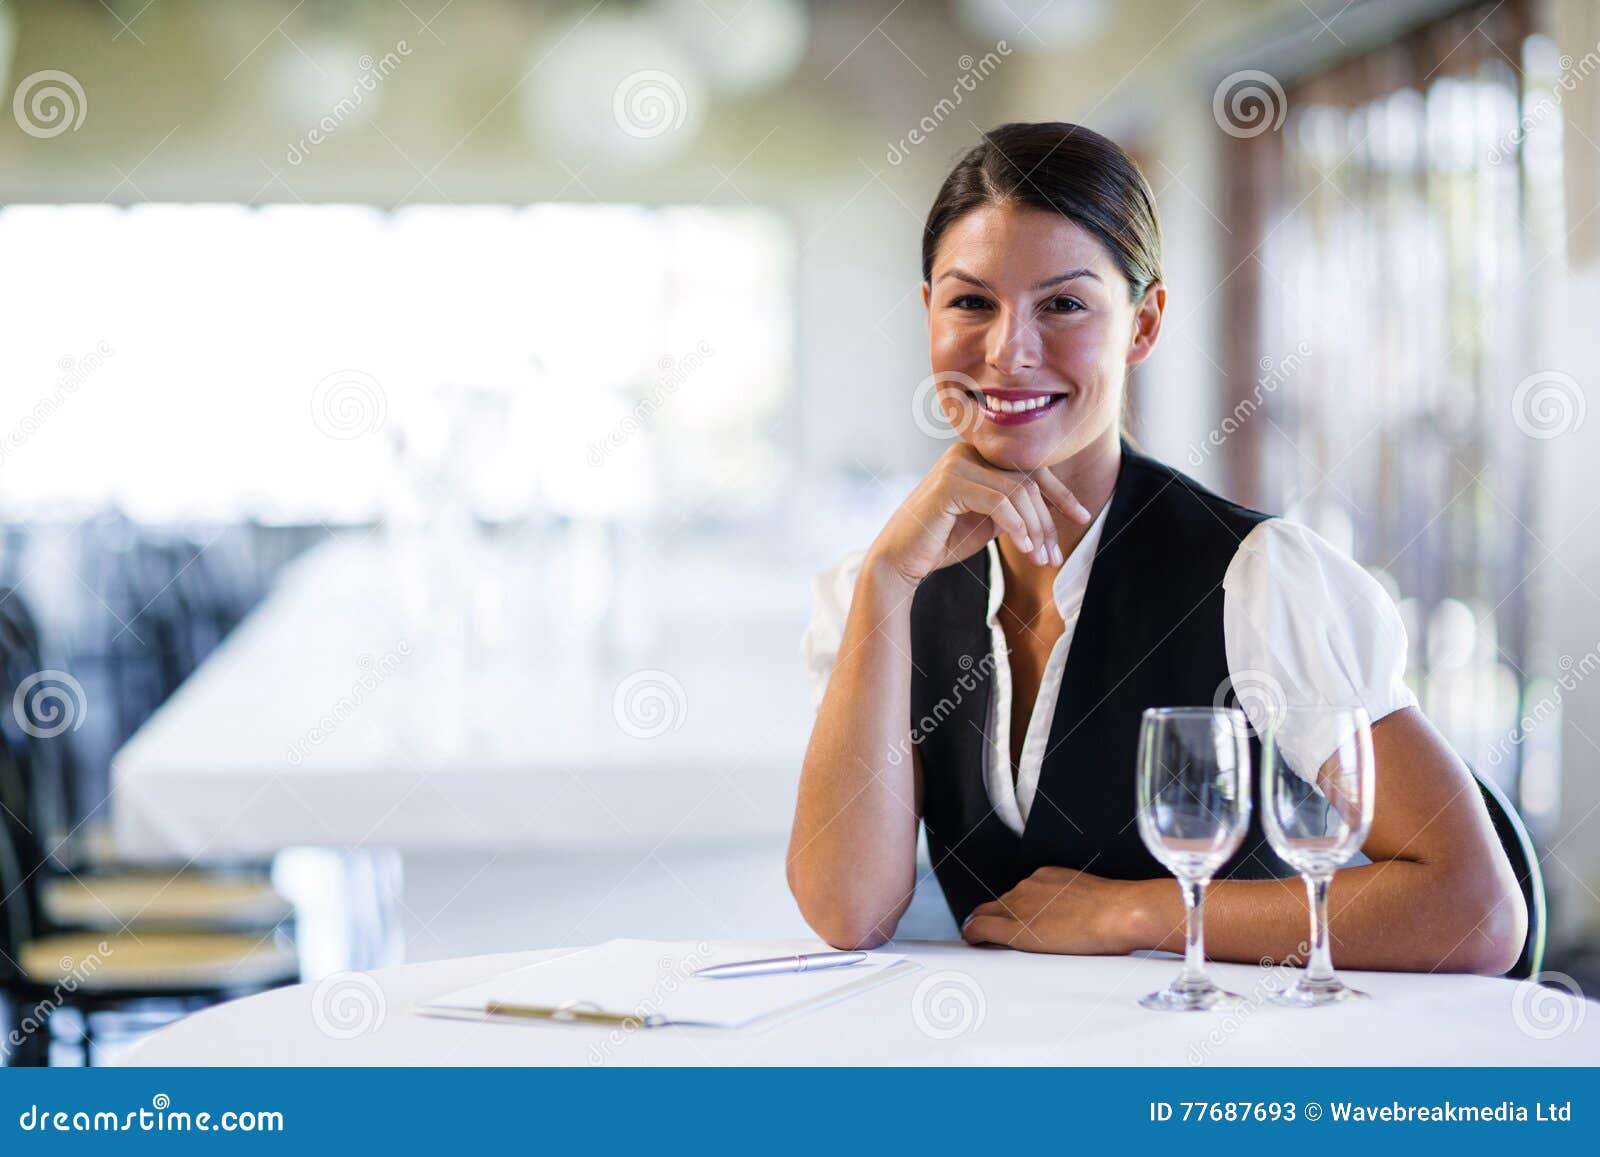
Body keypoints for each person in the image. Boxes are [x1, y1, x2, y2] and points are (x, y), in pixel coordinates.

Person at [786, 122, 1526, 974]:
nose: (1010, 351)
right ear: (928, 314)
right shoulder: (875, 589)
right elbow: (847, 911)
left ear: (1143, 324)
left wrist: (1139, 913)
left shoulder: (1256, 576)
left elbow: (1474, 908)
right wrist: (888, 580)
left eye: (1063, 304)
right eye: (971, 302)